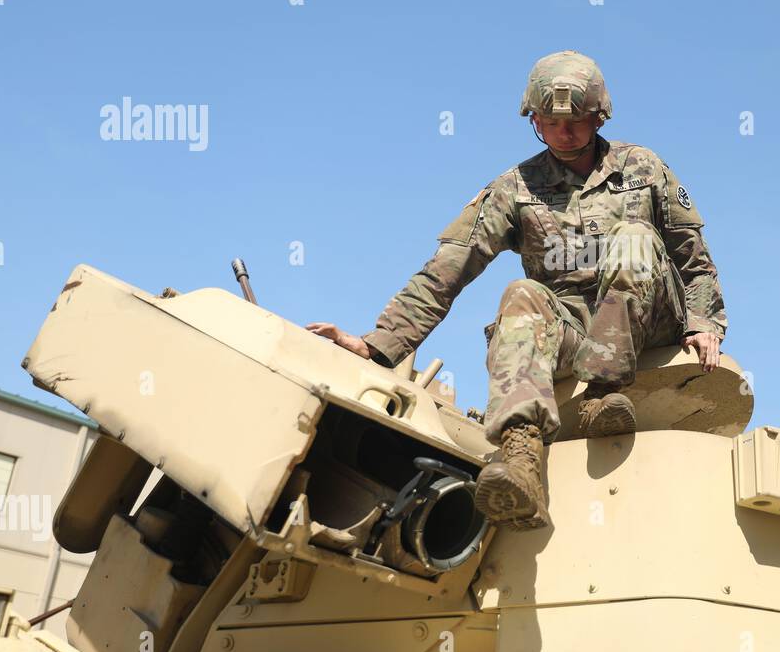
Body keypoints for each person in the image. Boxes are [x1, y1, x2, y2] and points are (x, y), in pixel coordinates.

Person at [307, 50, 727, 530]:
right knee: (521, 292)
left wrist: (703, 321)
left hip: (647, 318)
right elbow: (447, 270)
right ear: (534, 120)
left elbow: (692, 256)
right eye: (550, 121)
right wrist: (378, 345)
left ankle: (602, 395)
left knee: (633, 239)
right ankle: (521, 457)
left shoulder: (642, 168)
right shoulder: (516, 189)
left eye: (576, 121)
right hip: (571, 328)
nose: (564, 133)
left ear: (598, 117)